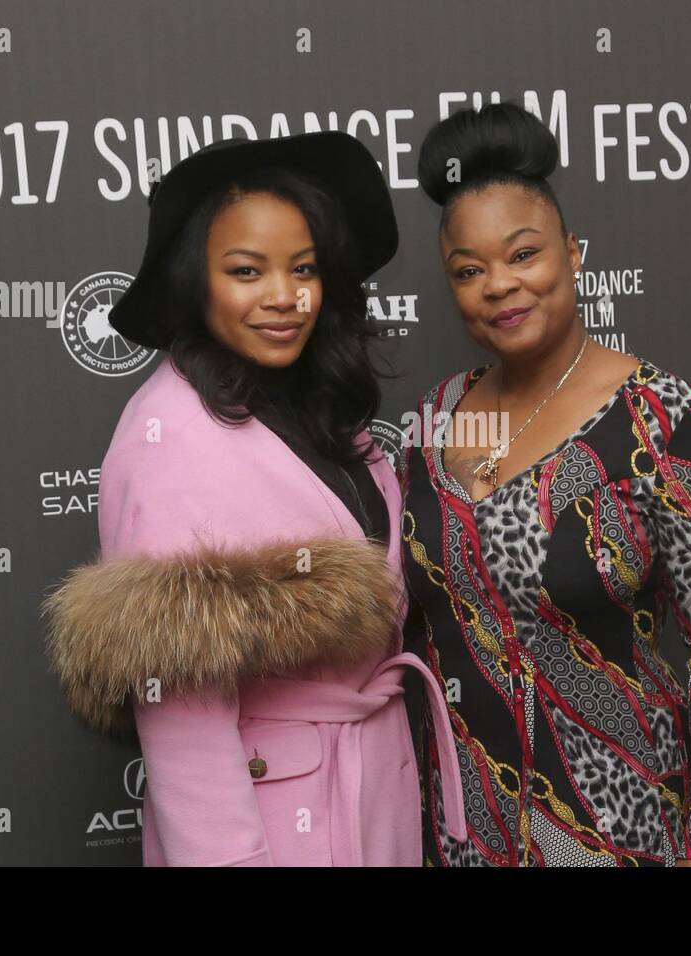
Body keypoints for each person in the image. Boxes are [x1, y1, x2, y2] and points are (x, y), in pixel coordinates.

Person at [41, 131, 466, 866]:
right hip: (277, 826)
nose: (284, 297)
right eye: (246, 270)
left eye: (304, 269)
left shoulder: (315, 404)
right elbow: (183, 727)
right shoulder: (167, 437)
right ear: (194, 280)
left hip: (376, 798)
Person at [399, 102, 691, 866]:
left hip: (622, 831)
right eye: (468, 270)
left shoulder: (664, 422)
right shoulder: (439, 419)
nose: (499, 285)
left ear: (572, 252)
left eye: (523, 254)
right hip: (468, 836)